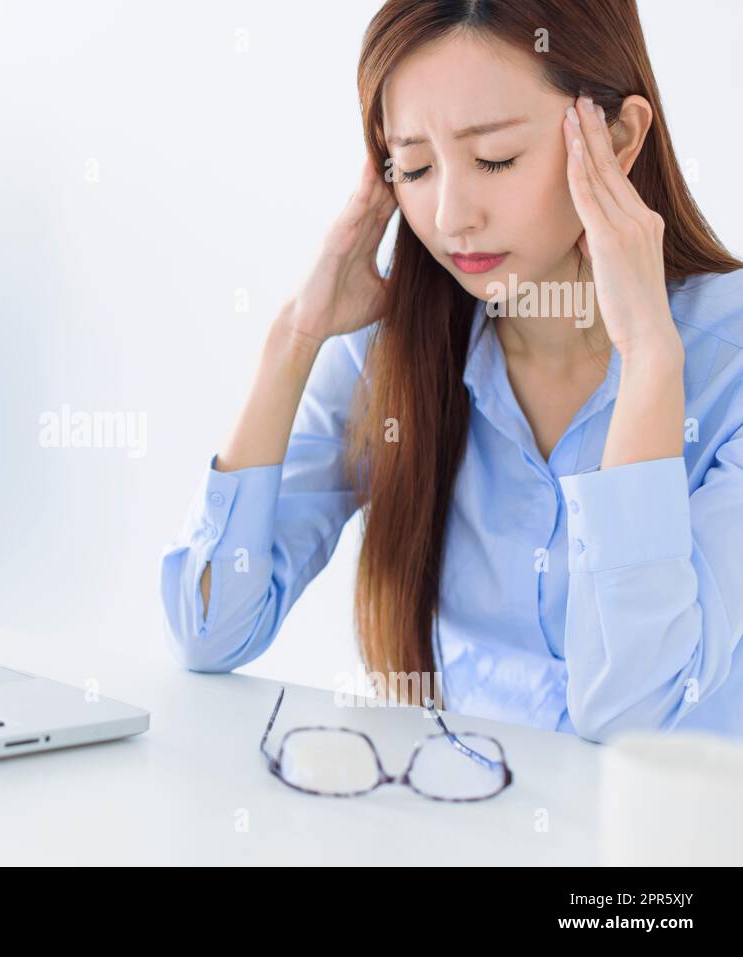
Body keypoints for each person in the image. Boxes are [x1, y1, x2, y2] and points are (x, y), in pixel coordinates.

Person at [160, 0, 743, 743]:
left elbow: (635, 715)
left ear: (620, 135)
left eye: (494, 157)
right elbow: (208, 629)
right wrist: (294, 338)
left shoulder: (729, 362)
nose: (449, 214)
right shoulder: (390, 353)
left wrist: (651, 360)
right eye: (415, 167)